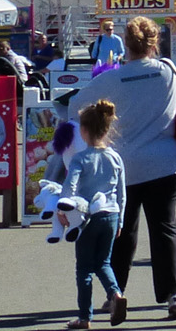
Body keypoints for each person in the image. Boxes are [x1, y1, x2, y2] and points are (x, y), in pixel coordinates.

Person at [71, 16, 176, 318]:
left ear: (125, 43)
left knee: (122, 230)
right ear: (154, 42)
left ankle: (116, 293)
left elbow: (75, 106)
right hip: (166, 161)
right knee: (165, 228)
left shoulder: (112, 79)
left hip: (125, 163)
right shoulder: (168, 72)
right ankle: (175, 295)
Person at [63, 99, 127, 329]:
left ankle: (85, 317)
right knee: (103, 262)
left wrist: (63, 208)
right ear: (107, 129)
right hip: (111, 215)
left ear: (83, 130)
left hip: (87, 217)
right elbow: (122, 193)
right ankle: (116, 294)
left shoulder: (80, 158)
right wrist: (120, 221)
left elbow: (70, 187)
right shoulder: (115, 157)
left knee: (84, 268)